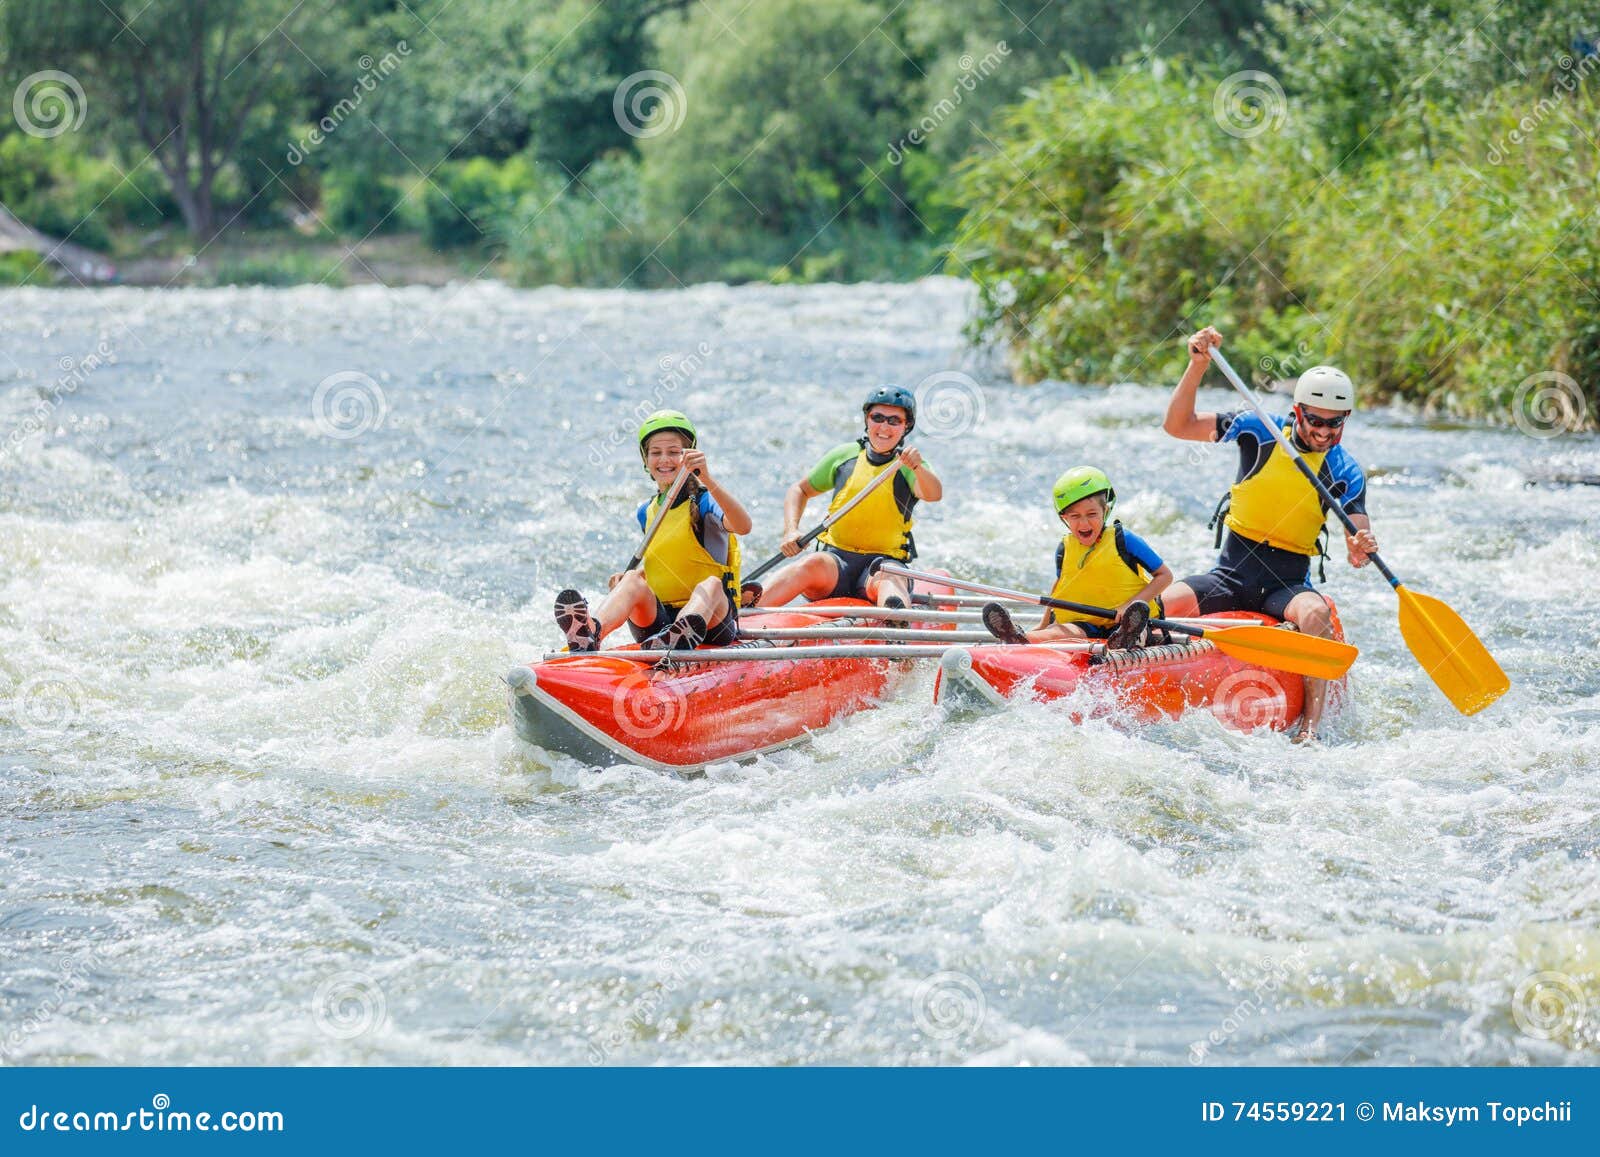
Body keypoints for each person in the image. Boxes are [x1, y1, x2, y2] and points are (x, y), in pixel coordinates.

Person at [1159, 326, 1379, 742]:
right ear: (1298, 413)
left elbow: (1358, 549)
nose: (1325, 432)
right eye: (1316, 421)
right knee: (1157, 606)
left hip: (1287, 583)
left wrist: (1361, 546)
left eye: (1336, 423)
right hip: (1229, 573)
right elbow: (1178, 425)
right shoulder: (1259, 430)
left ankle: (1310, 730)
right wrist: (1197, 365)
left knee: (1316, 614)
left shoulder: (1346, 471)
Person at [554, 410, 752, 652]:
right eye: (656, 453)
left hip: (713, 621)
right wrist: (629, 582)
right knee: (631, 579)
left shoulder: (705, 502)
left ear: (689, 456)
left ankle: (680, 635)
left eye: (674, 452)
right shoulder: (646, 511)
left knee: (711, 584)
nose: (665, 459)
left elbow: (744, 526)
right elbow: (668, 561)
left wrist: (708, 479)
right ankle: (591, 633)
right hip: (660, 623)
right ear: (646, 461)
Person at [748, 385, 942, 616]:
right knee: (811, 564)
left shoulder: (910, 465)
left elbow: (933, 494)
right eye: (877, 417)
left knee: (892, 577)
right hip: (835, 565)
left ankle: (895, 631)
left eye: (894, 421)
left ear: (906, 427)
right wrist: (791, 531)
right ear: (866, 420)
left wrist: (918, 467)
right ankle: (743, 614)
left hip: (880, 568)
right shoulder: (845, 456)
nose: (884, 427)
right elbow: (799, 490)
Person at [981, 467, 1172, 650]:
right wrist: (1042, 625)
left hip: (1129, 621)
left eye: (1092, 514)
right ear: (1064, 517)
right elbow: (1060, 589)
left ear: (1105, 511)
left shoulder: (1125, 540)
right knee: (1062, 631)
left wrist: (1130, 604)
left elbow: (1165, 576)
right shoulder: (1065, 548)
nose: (1084, 523)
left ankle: (1125, 641)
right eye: (1075, 516)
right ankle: (1021, 638)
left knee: (1137, 631)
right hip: (1086, 625)